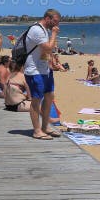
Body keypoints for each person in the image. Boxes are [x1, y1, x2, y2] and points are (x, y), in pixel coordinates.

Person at [23, 9, 61, 140]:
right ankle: (37, 130)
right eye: (55, 22)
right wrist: (54, 34)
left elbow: (45, 52)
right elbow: (48, 47)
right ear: (47, 18)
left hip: (45, 69)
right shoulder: (37, 30)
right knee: (36, 100)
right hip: (34, 70)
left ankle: (45, 126)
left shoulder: (45, 30)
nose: (56, 25)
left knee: (49, 96)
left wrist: (52, 62)